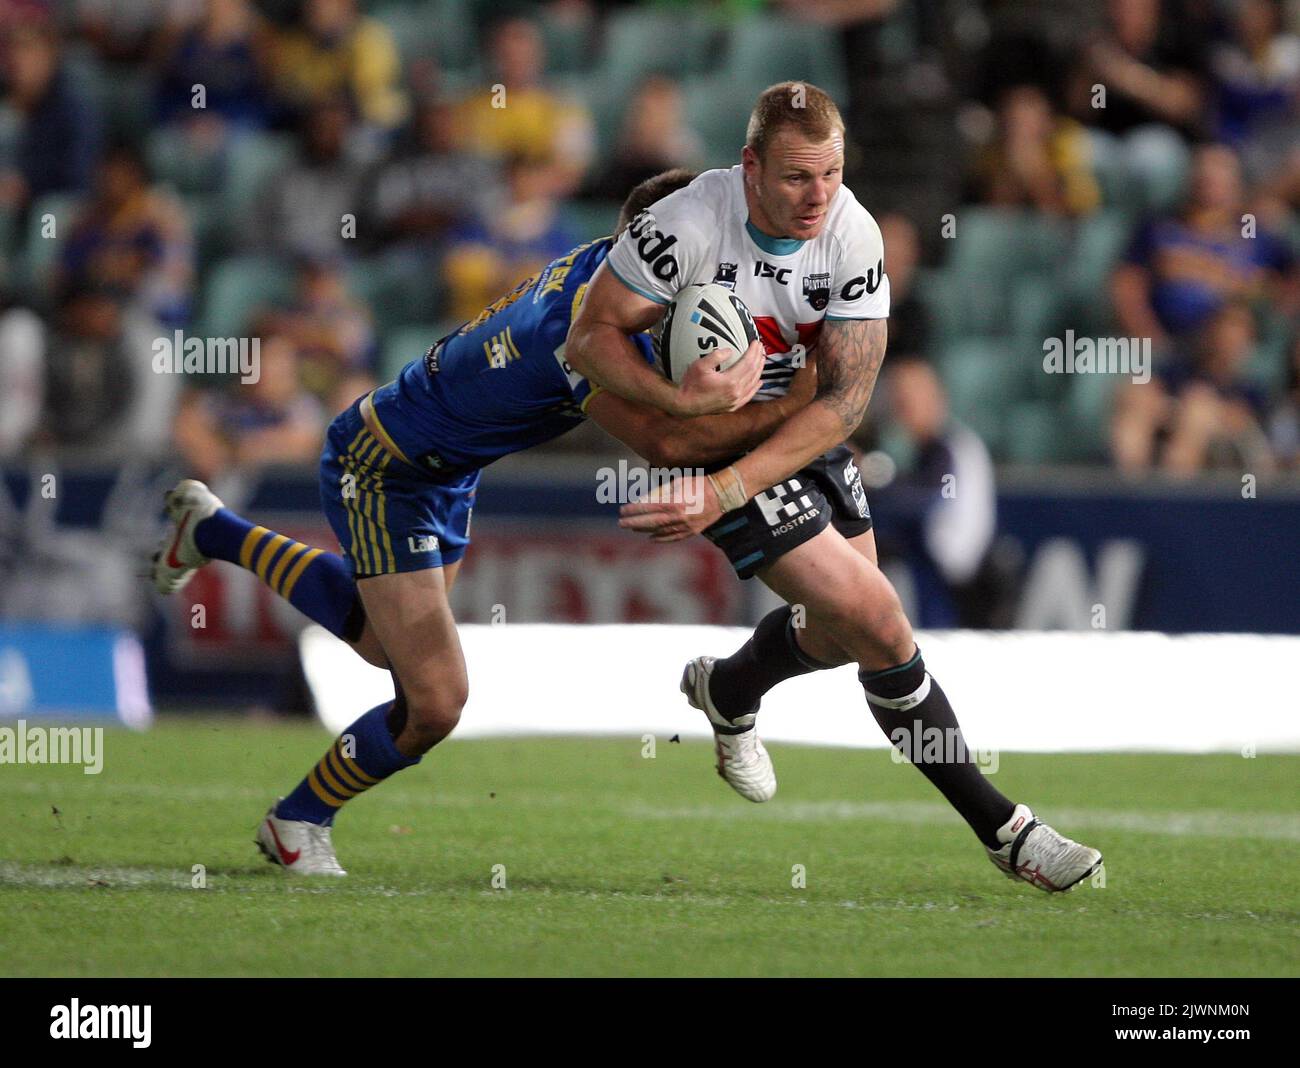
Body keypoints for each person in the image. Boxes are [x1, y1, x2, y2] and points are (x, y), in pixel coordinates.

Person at [150, 169, 793, 876]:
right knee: (436, 700)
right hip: (387, 465)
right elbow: (667, 444)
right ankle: (297, 819)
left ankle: (211, 531)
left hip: (445, 469)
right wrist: (743, 407)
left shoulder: (614, 289)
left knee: (377, 641)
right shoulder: (574, 330)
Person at [566, 81, 1102, 893]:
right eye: (795, 178)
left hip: (799, 428)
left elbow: (846, 405)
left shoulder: (853, 235)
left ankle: (730, 685)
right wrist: (686, 413)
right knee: (881, 621)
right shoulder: (687, 225)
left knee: (840, 628)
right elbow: (588, 336)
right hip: (710, 438)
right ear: (749, 167)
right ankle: (1008, 832)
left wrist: (732, 485)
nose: (819, 195)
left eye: (831, 173)